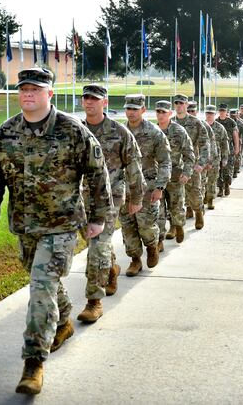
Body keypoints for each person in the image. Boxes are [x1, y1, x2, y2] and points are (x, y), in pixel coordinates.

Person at [0, 68, 112, 394]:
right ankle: (63, 321)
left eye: (35, 90)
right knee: (47, 284)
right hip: (25, 226)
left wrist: (99, 217)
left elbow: (97, 173)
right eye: (23, 89)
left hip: (63, 226)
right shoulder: (5, 133)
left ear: (49, 94)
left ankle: (33, 363)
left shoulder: (72, 130)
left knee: (40, 287)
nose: (28, 95)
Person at [78, 85, 148, 323]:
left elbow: (134, 166)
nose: (89, 102)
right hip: (81, 198)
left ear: (104, 102)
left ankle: (93, 302)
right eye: (86, 98)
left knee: (97, 246)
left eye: (95, 99)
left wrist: (136, 198)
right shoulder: (75, 131)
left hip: (111, 196)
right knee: (94, 242)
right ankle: (111, 268)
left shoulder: (119, 132)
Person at [121, 94, 171, 276]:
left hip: (147, 189)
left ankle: (152, 245)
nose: (130, 112)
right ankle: (135, 260)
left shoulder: (154, 133)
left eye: (134, 109)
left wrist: (160, 187)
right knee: (128, 227)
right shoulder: (119, 132)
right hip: (124, 189)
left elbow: (165, 162)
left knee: (146, 226)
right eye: (128, 108)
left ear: (143, 110)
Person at [157, 100, 195, 243]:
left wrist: (186, 173)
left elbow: (189, 155)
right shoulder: (153, 131)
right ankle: (158, 242)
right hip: (157, 178)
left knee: (176, 207)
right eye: (158, 112)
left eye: (163, 112)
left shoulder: (179, 131)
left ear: (170, 113)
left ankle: (178, 226)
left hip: (175, 175)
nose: (160, 115)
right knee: (158, 212)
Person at [172, 94, 210, 230]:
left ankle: (198, 213)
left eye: (181, 103)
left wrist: (201, 163)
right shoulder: (170, 122)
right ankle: (174, 225)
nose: (179, 105)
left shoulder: (196, 123)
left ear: (187, 105)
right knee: (174, 197)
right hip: (175, 165)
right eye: (176, 103)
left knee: (194, 193)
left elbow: (205, 144)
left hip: (192, 163)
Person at [204, 105, 229, 208]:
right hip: (202, 159)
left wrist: (225, 158)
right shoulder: (201, 125)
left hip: (215, 159)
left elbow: (224, 143)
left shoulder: (219, 127)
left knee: (212, 180)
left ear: (215, 114)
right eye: (208, 113)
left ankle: (210, 199)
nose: (209, 115)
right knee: (201, 181)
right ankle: (204, 196)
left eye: (211, 113)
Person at [215, 104, 240, 195]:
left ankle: (227, 185)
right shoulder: (216, 121)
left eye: (224, 111)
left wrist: (237, 148)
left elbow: (235, 135)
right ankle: (220, 188)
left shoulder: (231, 122)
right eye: (221, 111)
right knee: (219, 170)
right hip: (218, 150)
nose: (222, 112)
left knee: (228, 169)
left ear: (226, 112)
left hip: (229, 149)